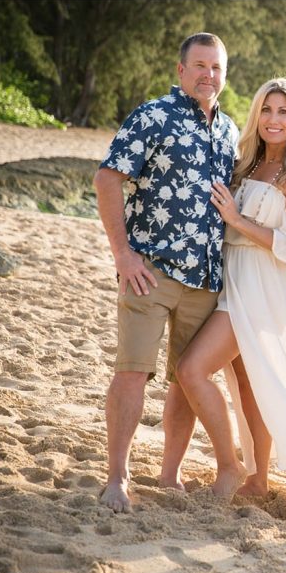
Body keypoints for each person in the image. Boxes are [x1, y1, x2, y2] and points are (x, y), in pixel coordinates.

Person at [175, 77, 286, 500]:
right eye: (266, 110)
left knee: (191, 370)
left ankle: (231, 467)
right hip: (229, 275)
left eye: (283, 111)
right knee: (247, 384)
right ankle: (258, 479)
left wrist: (237, 221)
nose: (273, 119)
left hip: (261, 287)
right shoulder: (245, 162)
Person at [94, 32, 238, 513]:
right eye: (199, 65)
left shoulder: (230, 132)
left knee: (183, 379)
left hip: (206, 278)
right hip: (149, 272)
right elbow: (108, 177)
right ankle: (117, 477)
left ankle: (170, 474)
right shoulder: (153, 116)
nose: (207, 75)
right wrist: (123, 255)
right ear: (181, 71)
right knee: (133, 371)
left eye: (215, 67)